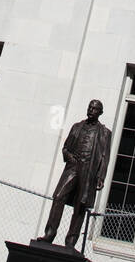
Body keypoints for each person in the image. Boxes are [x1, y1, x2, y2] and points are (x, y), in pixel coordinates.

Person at [41, 99, 111, 249]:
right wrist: (69, 157)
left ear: (100, 112)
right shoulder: (77, 127)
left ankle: (71, 242)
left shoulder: (104, 133)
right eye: (89, 107)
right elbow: (65, 148)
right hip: (73, 167)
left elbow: (105, 156)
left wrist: (101, 176)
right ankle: (49, 234)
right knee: (58, 196)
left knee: (81, 205)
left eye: (94, 109)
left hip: (89, 171)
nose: (91, 110)